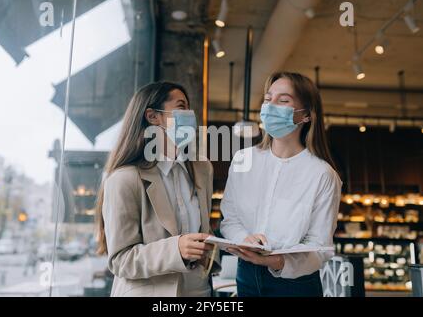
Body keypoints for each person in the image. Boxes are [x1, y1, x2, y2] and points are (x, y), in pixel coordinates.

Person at [220, 72, 342, 297]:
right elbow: (230, 219)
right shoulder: (243, 160)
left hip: (295, 285)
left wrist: (278, 262)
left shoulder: (322, 174)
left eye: (283, 100)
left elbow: (321, 246)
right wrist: (243, 240)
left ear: (305, 114)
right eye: (268, 99)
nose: (270, 106)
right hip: (246, 276)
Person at [95, 81, 219, 297]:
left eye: (189, 108)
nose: (190, 115)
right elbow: (121, 260)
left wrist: (209, 255)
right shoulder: (124, 179)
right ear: (153, 116)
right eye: (181, 107)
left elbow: (205, 233)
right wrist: (176, 249)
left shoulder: (202, 170)